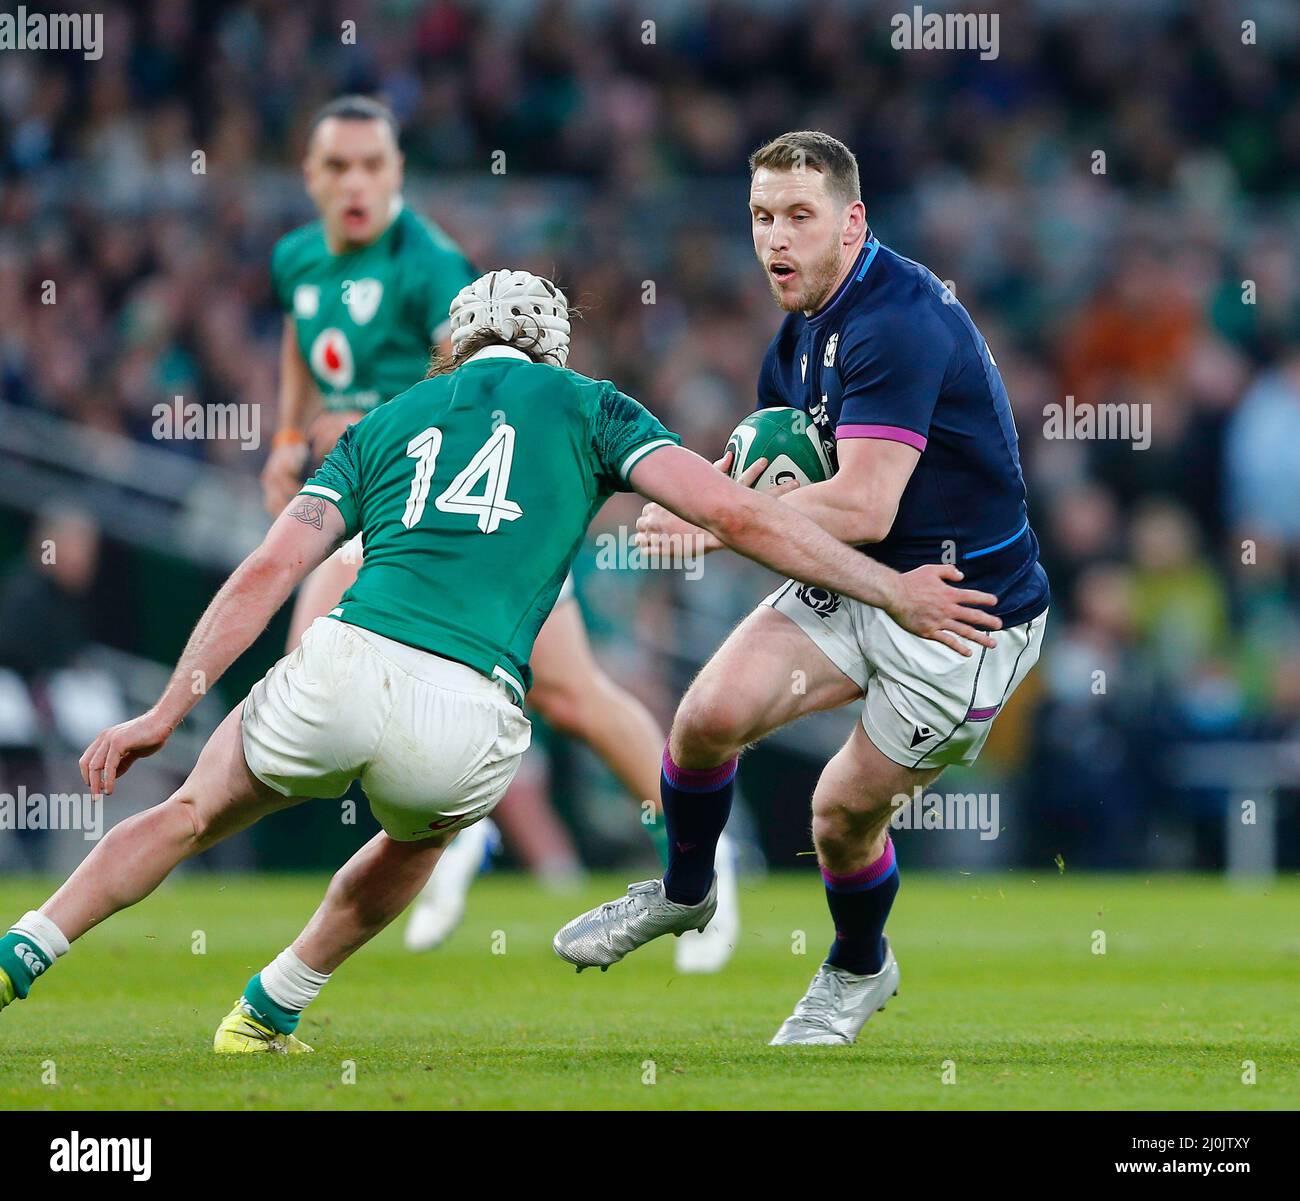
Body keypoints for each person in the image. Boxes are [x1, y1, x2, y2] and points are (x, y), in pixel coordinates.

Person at [0, 270, 1000, 1051]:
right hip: (469, 708)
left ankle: (27, 945)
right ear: (553, 346)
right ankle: (269, 1006)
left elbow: (271, 563)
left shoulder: (390, 417)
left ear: (457, 340)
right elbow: (735, 513)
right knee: (416, 839)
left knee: (185, 815)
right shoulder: (590, 405)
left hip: (345, 657)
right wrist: (893, 587)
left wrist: (164, 710)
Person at [554, 131, 1050, 1047]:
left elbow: (862, 503)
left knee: (837, 817)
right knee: (704, 720)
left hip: (959, 616)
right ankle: (684, 890)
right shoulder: (797, 339)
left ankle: (858, 967)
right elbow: (781, 478)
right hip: (870, 584)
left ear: (853, 221)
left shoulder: (896, 320)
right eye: (760, 217)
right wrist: (711, 490)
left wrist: (713, 518)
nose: (775, 238)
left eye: (798, 216)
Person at [261, 94, 738, 971]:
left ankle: (704, 859)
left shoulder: (430, 267)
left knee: (570, 695)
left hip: (456, 521)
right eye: (338, 166)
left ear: (398, 174)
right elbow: (303, 337)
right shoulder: (298, 256)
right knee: (530, 693)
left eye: (373, 165)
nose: (356, 182)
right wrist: (292, 435)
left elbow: (476, 394)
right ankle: (444, 831)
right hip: (388, 521)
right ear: (310, 177)